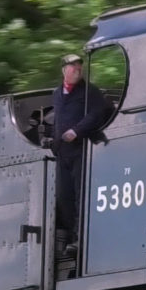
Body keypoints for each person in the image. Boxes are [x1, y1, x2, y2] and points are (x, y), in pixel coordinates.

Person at [51, 52, 114, 245]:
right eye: (73, 66)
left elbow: (96, 114)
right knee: (64, 196)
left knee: (81, 194)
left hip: (82, 149)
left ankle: (80, 238)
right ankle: (68, 235)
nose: (78, 69)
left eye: (79, 66)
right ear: (64, 70)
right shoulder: (56, 93)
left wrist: (76, 131)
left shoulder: (90, 92)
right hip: (63, 152)